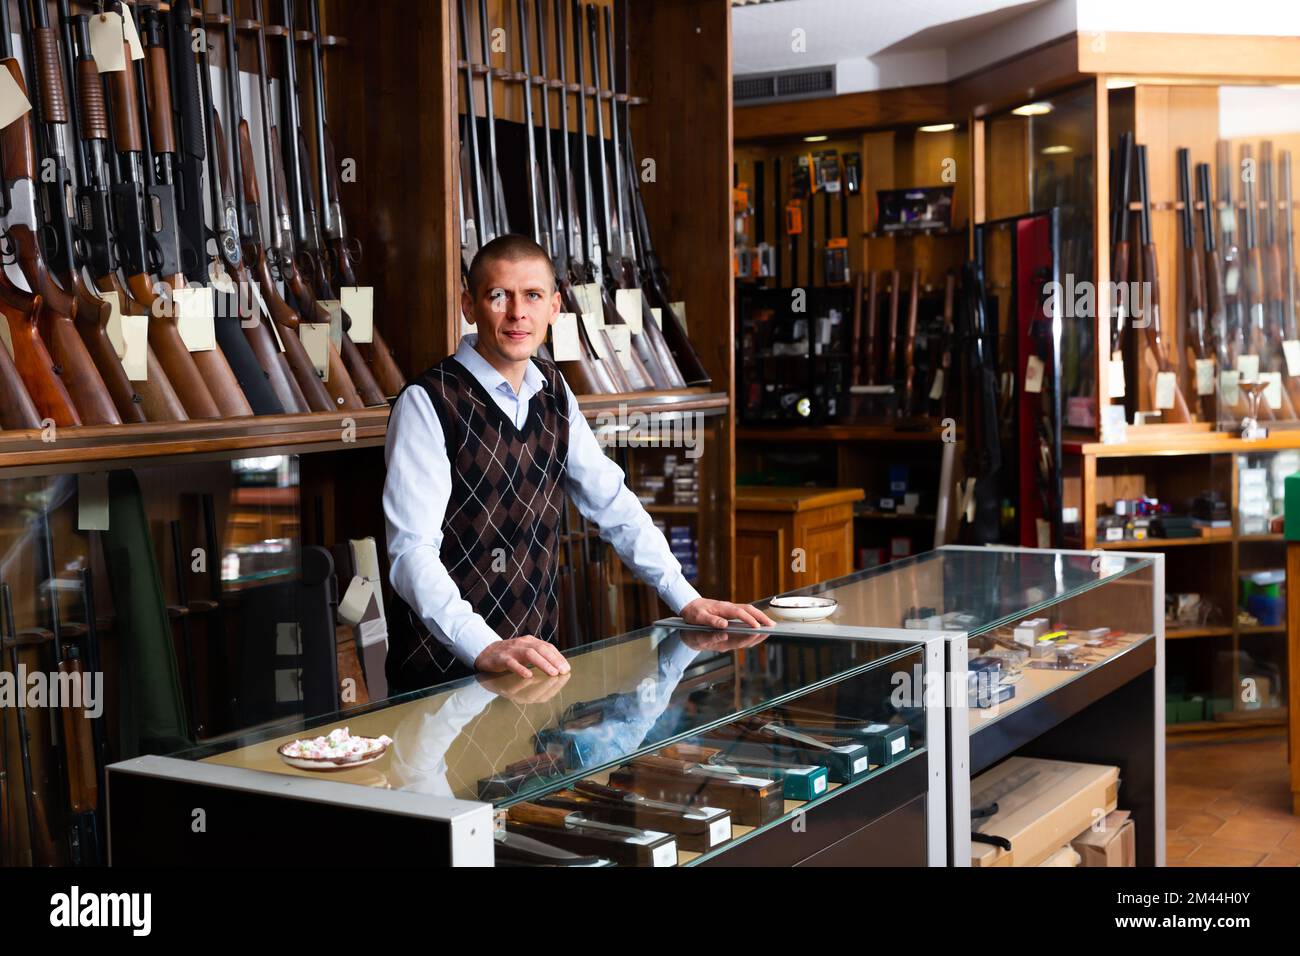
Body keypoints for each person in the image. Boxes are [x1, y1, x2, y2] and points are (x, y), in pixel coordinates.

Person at [383, 234, 773, 692]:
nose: (517, 313)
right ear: (469, 306)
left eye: (532, 295)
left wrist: (685, 600)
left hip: (536, 671)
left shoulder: (553, 389)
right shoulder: (427, 402)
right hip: (442, 681)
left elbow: (613, 504)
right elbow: (411, 554)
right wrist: (483, 645)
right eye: (498, 296)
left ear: (554, 307)